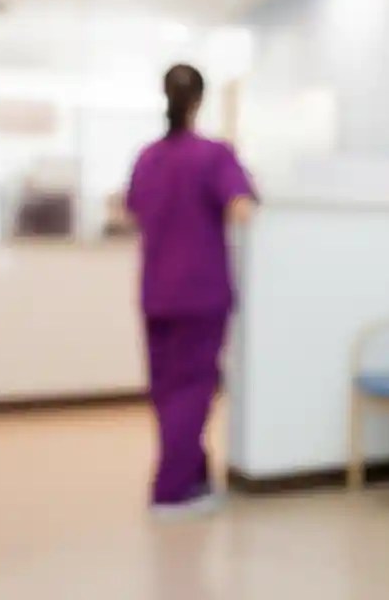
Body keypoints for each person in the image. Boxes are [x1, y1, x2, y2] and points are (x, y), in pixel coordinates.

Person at [126, 64, 257, 516]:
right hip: (200, 292)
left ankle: (195, 473)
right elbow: (242, 208)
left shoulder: (148, 157)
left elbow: (133, 211)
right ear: (200, 101)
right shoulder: (214, 154)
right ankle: (171, 490)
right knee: (194, 389)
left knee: (167, 391)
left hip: (157, 291)